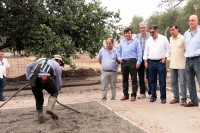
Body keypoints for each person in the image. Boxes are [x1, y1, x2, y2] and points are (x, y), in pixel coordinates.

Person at [26, 55, 63, 123]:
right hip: (45, 77)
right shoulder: (57, 65)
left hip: (33, 78)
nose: (60, 64)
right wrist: (56, 92)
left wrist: (29, 78)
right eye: (60, 63)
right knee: (54, 92)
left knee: (38, 99)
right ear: (58, 61)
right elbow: (58, 81)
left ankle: (41, 118)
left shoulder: (40, 60)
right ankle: (49, 108)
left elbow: (28, 66)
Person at [143, 25, 170, 104]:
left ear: (157, 31)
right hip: (151, 62)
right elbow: (146, 52)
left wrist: (165, 57)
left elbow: (168, 50)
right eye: (150, 32)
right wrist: (145, 61)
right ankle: (153, 96)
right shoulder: (148, 40)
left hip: (160, 62)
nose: (151, 33)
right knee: (152, 81)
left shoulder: (163, 39)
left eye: (153, 32)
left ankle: (163, 97)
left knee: (162, 80)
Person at [117, 27, 142, 101]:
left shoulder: (136, 41)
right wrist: (119, 58)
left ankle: (133, 95)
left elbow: (139, 52)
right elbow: (118, 51)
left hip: (132, 62)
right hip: (123, 62)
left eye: (129, 33)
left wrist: (139, 61)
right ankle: (125, 94)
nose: (127, 34)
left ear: (131, 33)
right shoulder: (122, 41)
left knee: (134, 79)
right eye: (126, 33)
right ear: (124, 34)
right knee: (125, 79)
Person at [169, 24, 187, 106]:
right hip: (172, 64)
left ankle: (184, 99)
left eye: (173, 30)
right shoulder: (170, 39)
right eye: (170, 30)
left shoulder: (183, 38)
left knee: (182, 83)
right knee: (173, 82)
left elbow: (187, 49)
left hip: (181, 65)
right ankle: (176, 98)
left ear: (177, 29)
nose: (172, 32)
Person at [184, 15, 200, 107]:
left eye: (193, 20)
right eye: (189, 20)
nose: (191, 22)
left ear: (197, 21)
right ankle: (194, 101)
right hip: (188, 60)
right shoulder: (186, 33)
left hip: (198, 60)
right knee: (190, 82)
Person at [136, 21, 151, 99]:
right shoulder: (137, 37)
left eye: (144, 27)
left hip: (149, 58)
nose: (143, 29)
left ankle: (151, 93)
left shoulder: (150, 36)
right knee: (141, 76)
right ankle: (142, 93)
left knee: (150, 76)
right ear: (140, 29)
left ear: (146, 27)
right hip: (140, 58)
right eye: (141, 28)